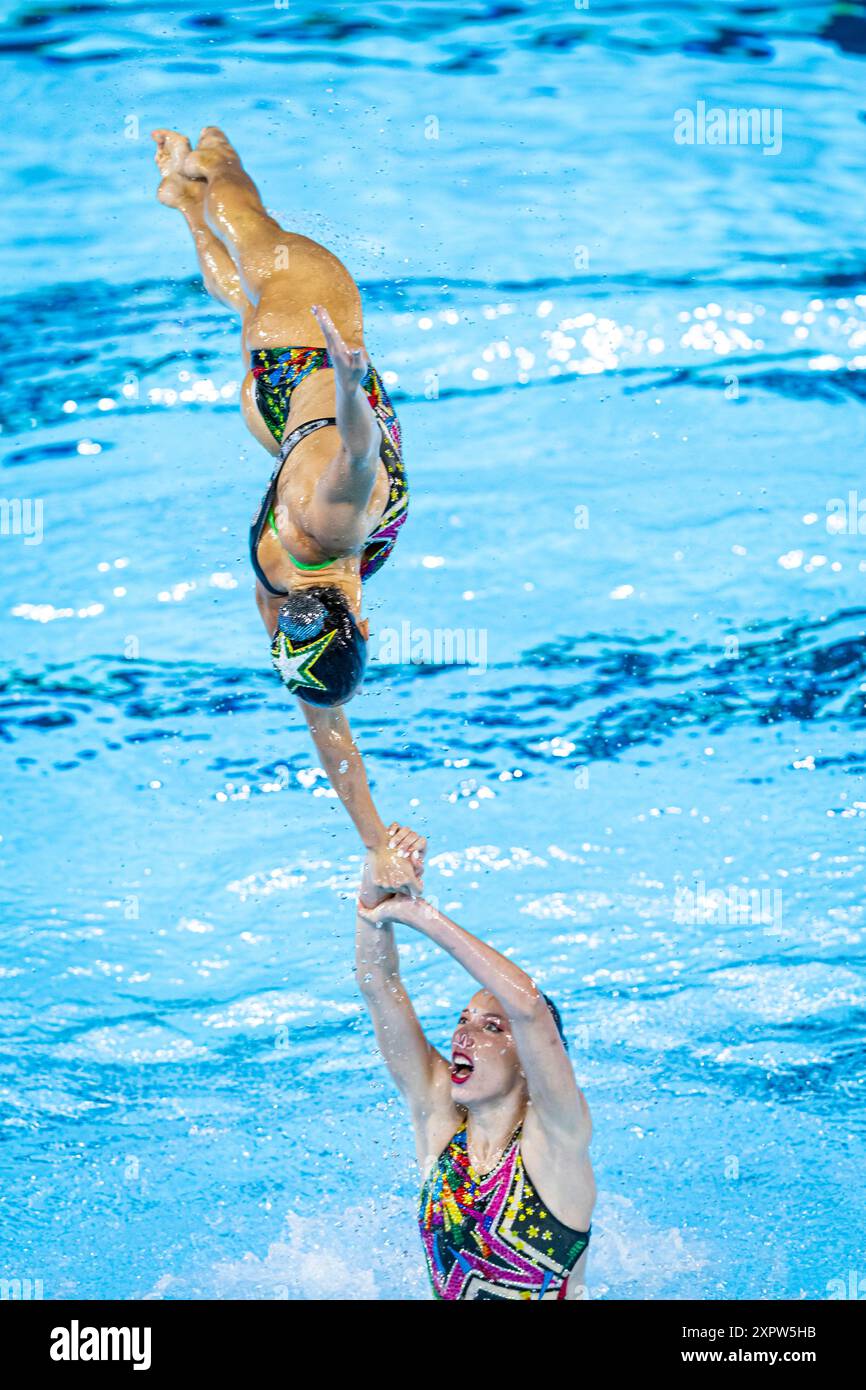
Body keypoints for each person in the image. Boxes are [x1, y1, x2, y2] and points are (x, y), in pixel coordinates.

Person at [152, 127, 418, 893]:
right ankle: (183, 203)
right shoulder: (279, 605)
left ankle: (209, 161)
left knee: (256, 235)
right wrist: (376, 844)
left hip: (305, 355)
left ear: (362, 625)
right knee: (238, 295)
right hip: (273, 418)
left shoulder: (338, 528)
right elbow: (327, 731)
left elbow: (359, 454)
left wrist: (351, 384)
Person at [355, 829, 596, 1300]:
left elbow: (528, 1007)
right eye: (464, 1019)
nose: (463, 1035)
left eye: (492, 1028)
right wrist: (372, 897)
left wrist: (419, 915)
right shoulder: (441, 1121)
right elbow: (379, 986)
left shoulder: (556, 1139)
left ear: (530, 1061)